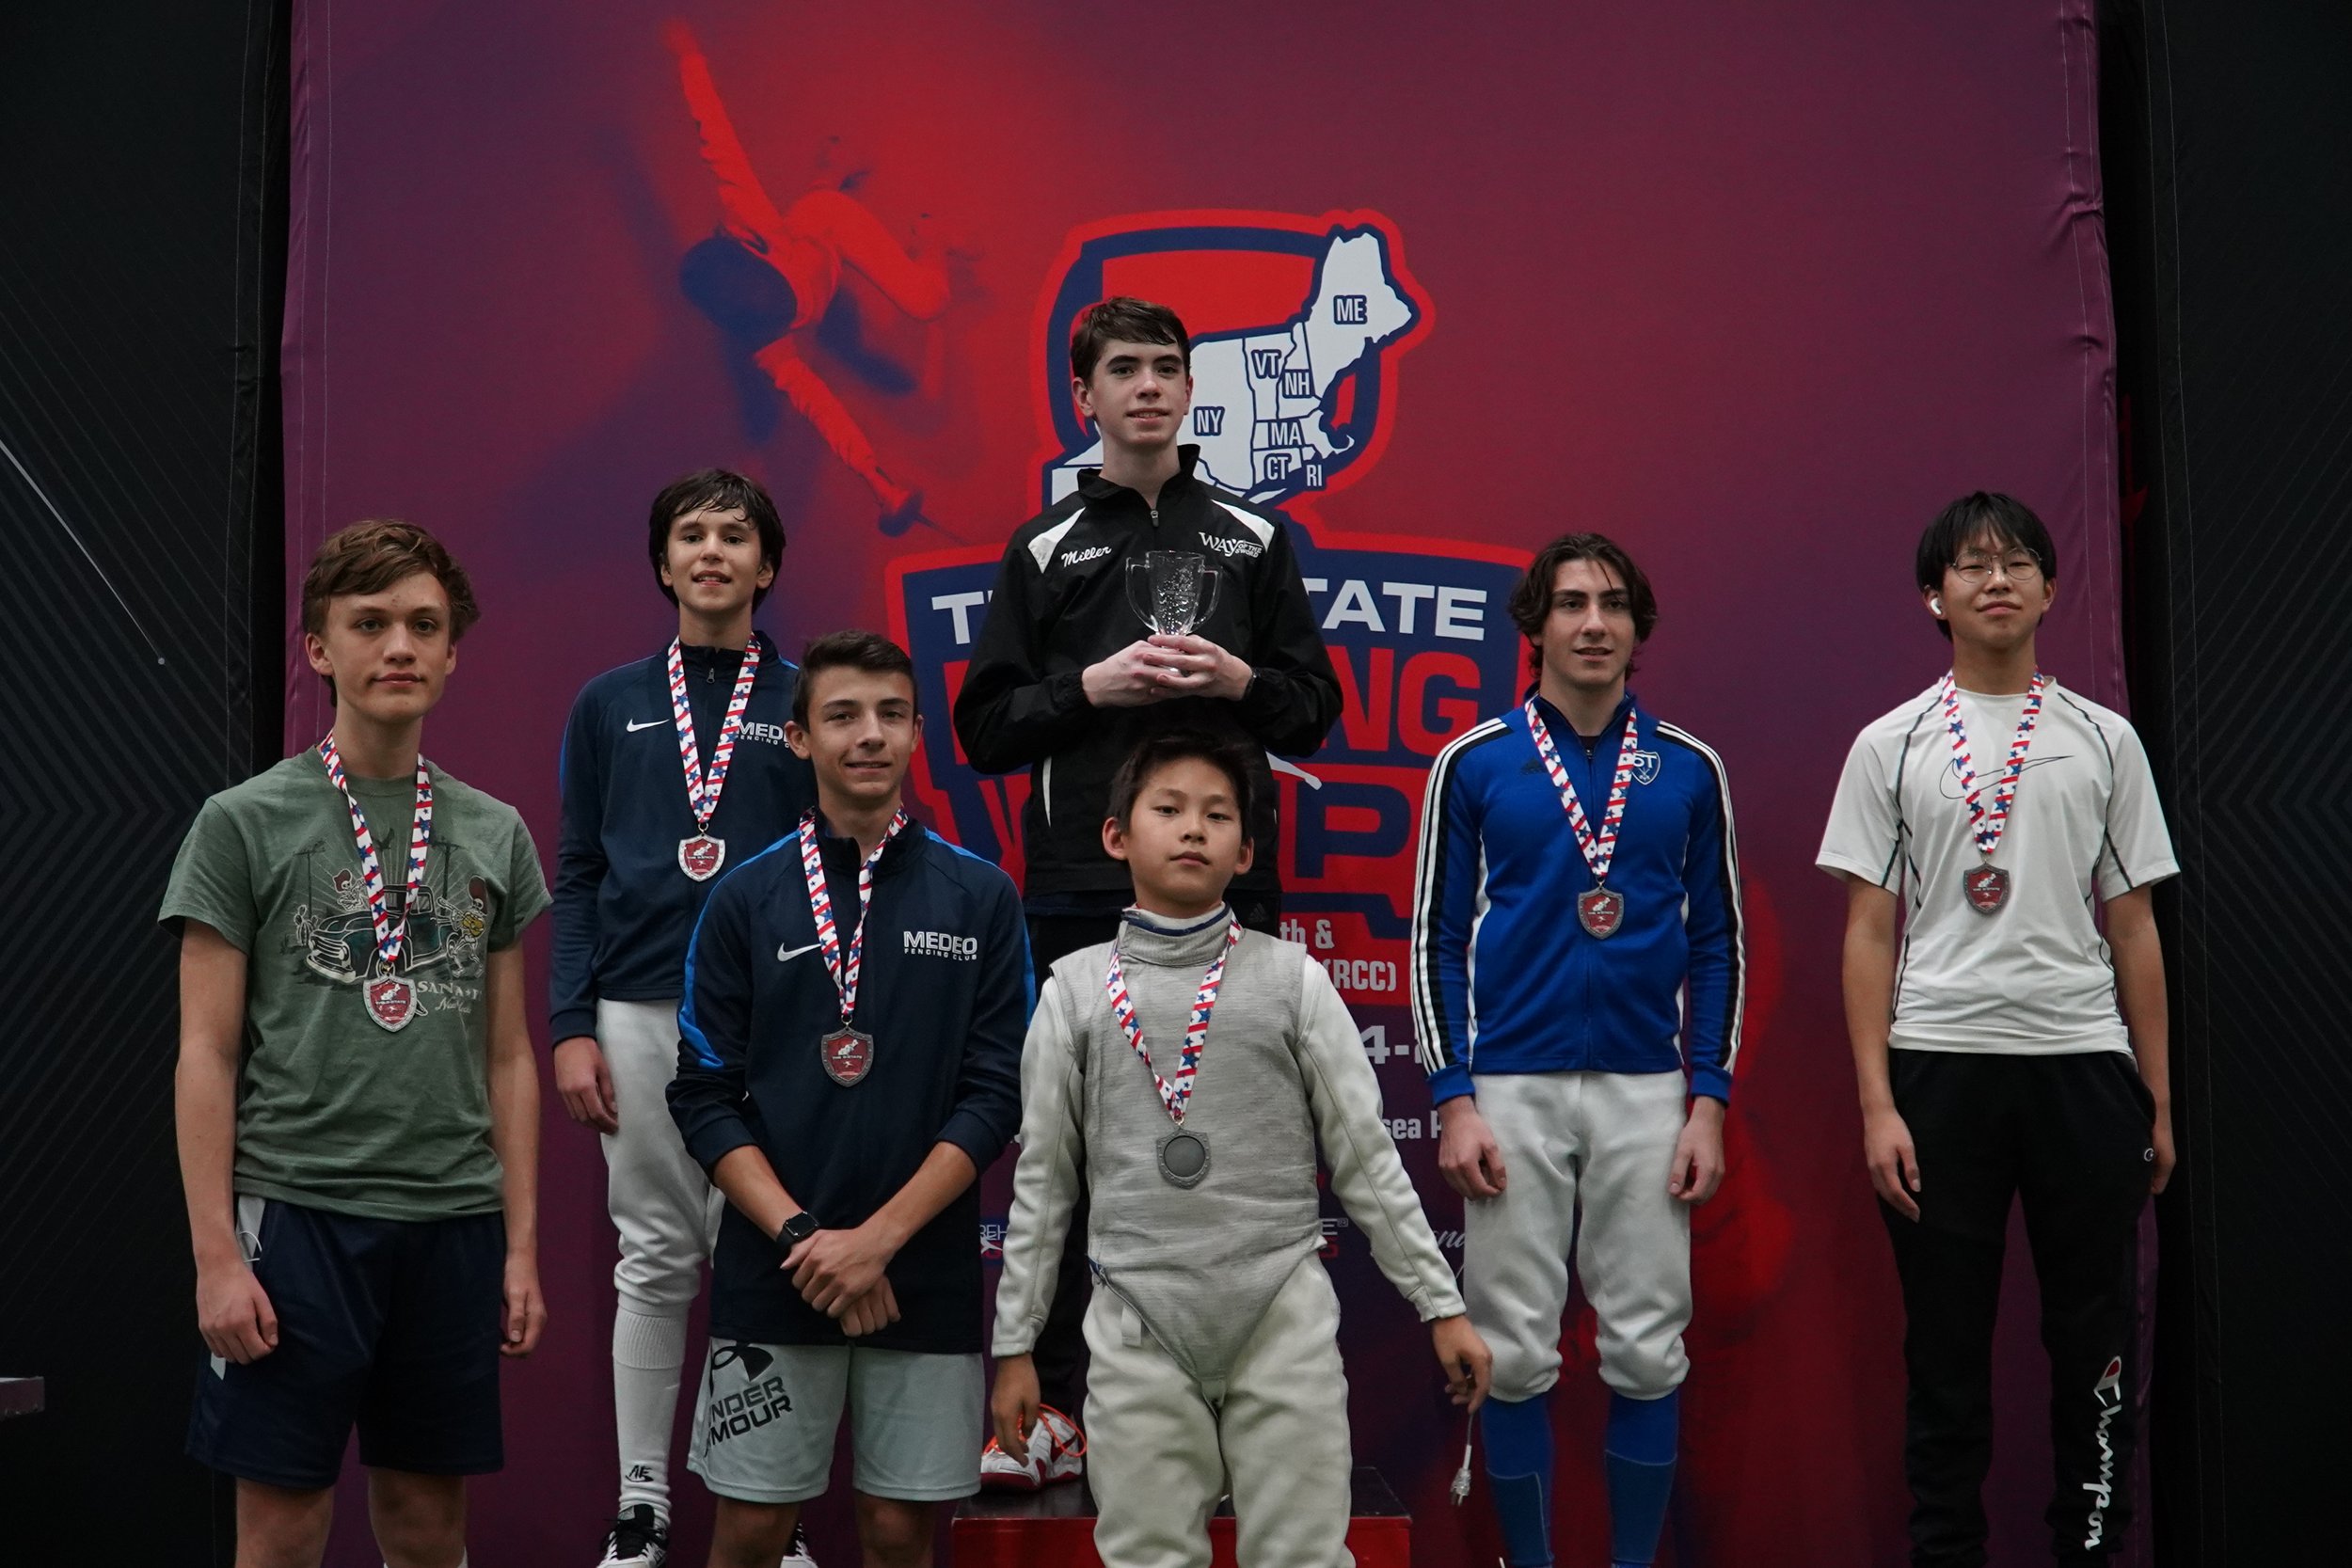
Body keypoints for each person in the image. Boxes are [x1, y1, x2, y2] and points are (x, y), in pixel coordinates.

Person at [952, 296, 1342, 1480]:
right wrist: (1093, 687)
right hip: (1079, 888)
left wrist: (1238, 677)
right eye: (1123, 369)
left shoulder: (1255, 538)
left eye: (1167, 368)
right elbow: (981, 730)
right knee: (1072, 1154)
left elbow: (1314, 710)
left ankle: (1224, 1416)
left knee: (1229, 1151)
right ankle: (1057, 1410)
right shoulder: (1043, 547)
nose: (1149, 387)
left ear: (1189, 389)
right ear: (1085, 395)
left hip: (1232, 890)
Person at [991, 730, 1489, 1566]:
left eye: (1218, 815)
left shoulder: (1293, 980)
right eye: (1169, 809)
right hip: (1138, 1320)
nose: (1194, 829)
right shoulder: (1073, 991)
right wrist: (1015, 1346)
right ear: (1117, 835)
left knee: (1301, 1555)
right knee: (1146, 1555)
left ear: (1245, 849)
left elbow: (1367, 1159)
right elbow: (1042, 1186)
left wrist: (1441, 1306)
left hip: (1279, 1313)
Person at [164, 520, 550, 1568]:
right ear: (319, 648)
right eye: (369, 623)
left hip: (452, 1223)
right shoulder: (242, 821)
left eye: (424, 625)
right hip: (296, 1219)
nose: (400, 646)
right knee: (283, 1528)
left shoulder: (494, 829)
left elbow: (509, 1055)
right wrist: (214, 1260)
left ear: (453, 651)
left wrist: (518, 1245)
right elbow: (207, 1053)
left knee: (429, 1527)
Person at [1818, 492, 2175, 1568]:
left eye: (2017, 560)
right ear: (1936, 595)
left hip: (2082, 1071)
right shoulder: (1890, 742)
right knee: (1945, 1356)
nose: (1996, 578)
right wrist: (1877, 1103)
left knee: (2095, 1349)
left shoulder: (2105, 740)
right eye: (1971, 565)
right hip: (1939, 1075)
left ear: (2050, 588)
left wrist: (2154, 1098)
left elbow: (2135, 925)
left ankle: (2093, 1548)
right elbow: (1868, 933)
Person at [1411, 532, 1744, 1568]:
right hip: (1510, 1082)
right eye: (1569, 603)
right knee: (1510, 1352)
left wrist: (1709, 1097)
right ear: (1535, 625)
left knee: (1647, 1347)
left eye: (1611, 603)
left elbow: (1718, 939)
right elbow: (1434, 936)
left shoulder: (1689, 767)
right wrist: (1454, 1095)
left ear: (1638, 626)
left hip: (1649, 1087)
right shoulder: (1474, 760)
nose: (1592, 621)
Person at [668, 629, 1027, 1568]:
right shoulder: (743, 899)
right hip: (775, 1266)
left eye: (889, 714)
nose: (867, 735)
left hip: (923, 1269)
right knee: (747, 1527)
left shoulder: (981, 896)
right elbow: (703, 1094)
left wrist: (876, 1243)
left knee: (901, 1531)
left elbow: (995, 1094)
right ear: (797, 738)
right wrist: (803, 1240)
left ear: (916, 733)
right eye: (840, 715)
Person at [548, 469, 818, 1567]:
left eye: (736, 534)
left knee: (769, 1251)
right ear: (663, 564)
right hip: (637, 1006)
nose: (713, 551)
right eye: (692, 535)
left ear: (767, 564)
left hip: (775, 1018)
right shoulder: (607, 700)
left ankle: (772, 1507)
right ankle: (643, 1502)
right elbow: (576, 873)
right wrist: (571, 1022)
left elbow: (836, 868)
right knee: (655, 1254)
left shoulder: (808, 698)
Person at [665, 19, 954, 535]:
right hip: (810, 251)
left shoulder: (751, 220)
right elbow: (825, 413)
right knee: (886, 300)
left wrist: (690, 59)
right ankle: (833, 170)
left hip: (823, 225)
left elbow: (716, 138)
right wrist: (875, 480)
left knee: (926, 302)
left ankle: (925, 236)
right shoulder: (768, 347)